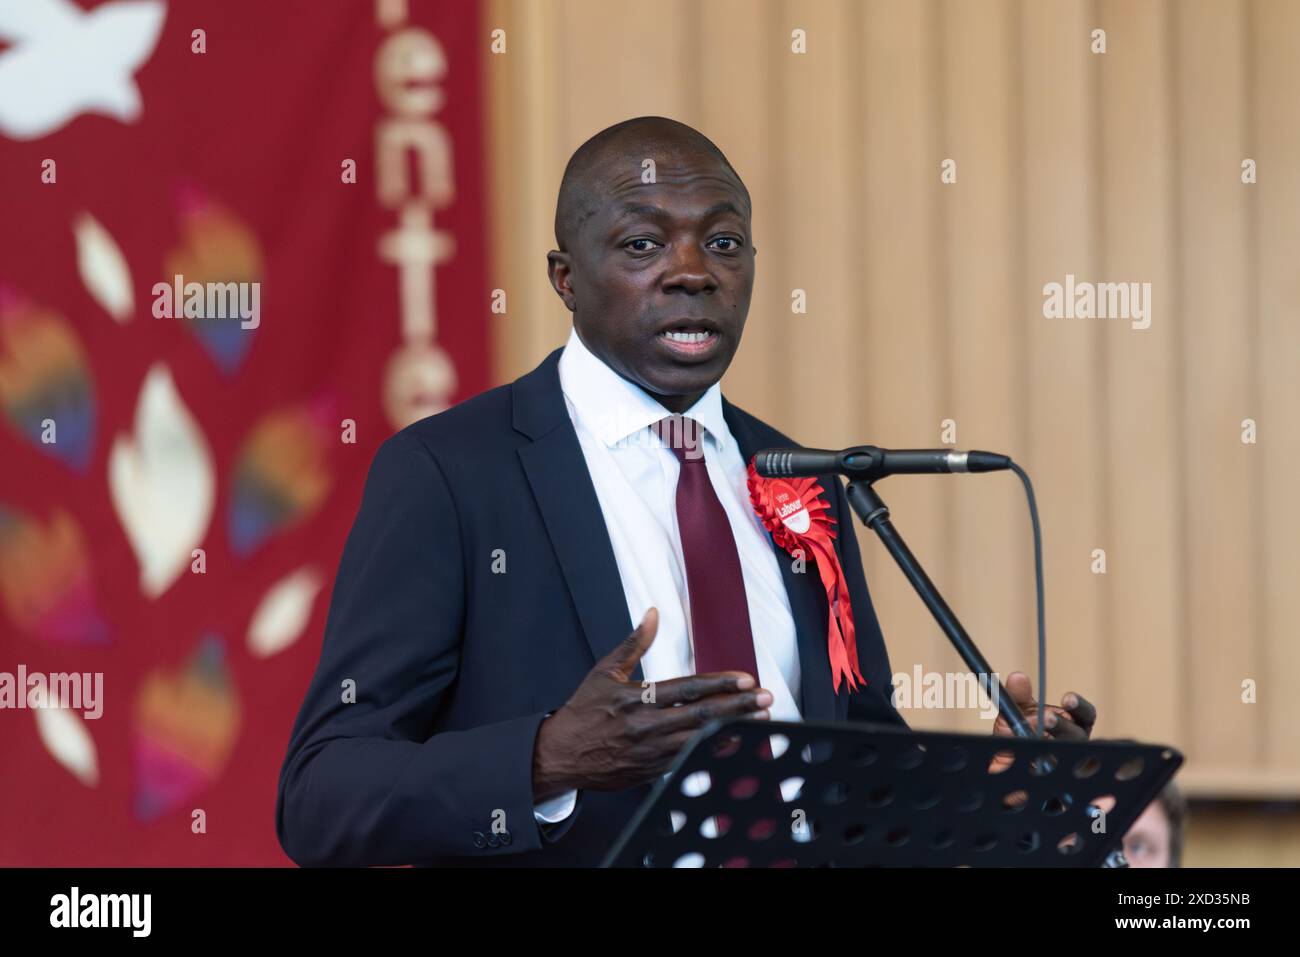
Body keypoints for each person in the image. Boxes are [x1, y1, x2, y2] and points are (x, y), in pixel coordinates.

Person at [275, 116, 1096, 867]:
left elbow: (852, 777)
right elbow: (321, 794)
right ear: (565, 277)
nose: (694, 273)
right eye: (641, 246)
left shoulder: (800, 475)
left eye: (725, 243)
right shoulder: (451, 473)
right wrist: (547, 758)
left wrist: (982, 799)